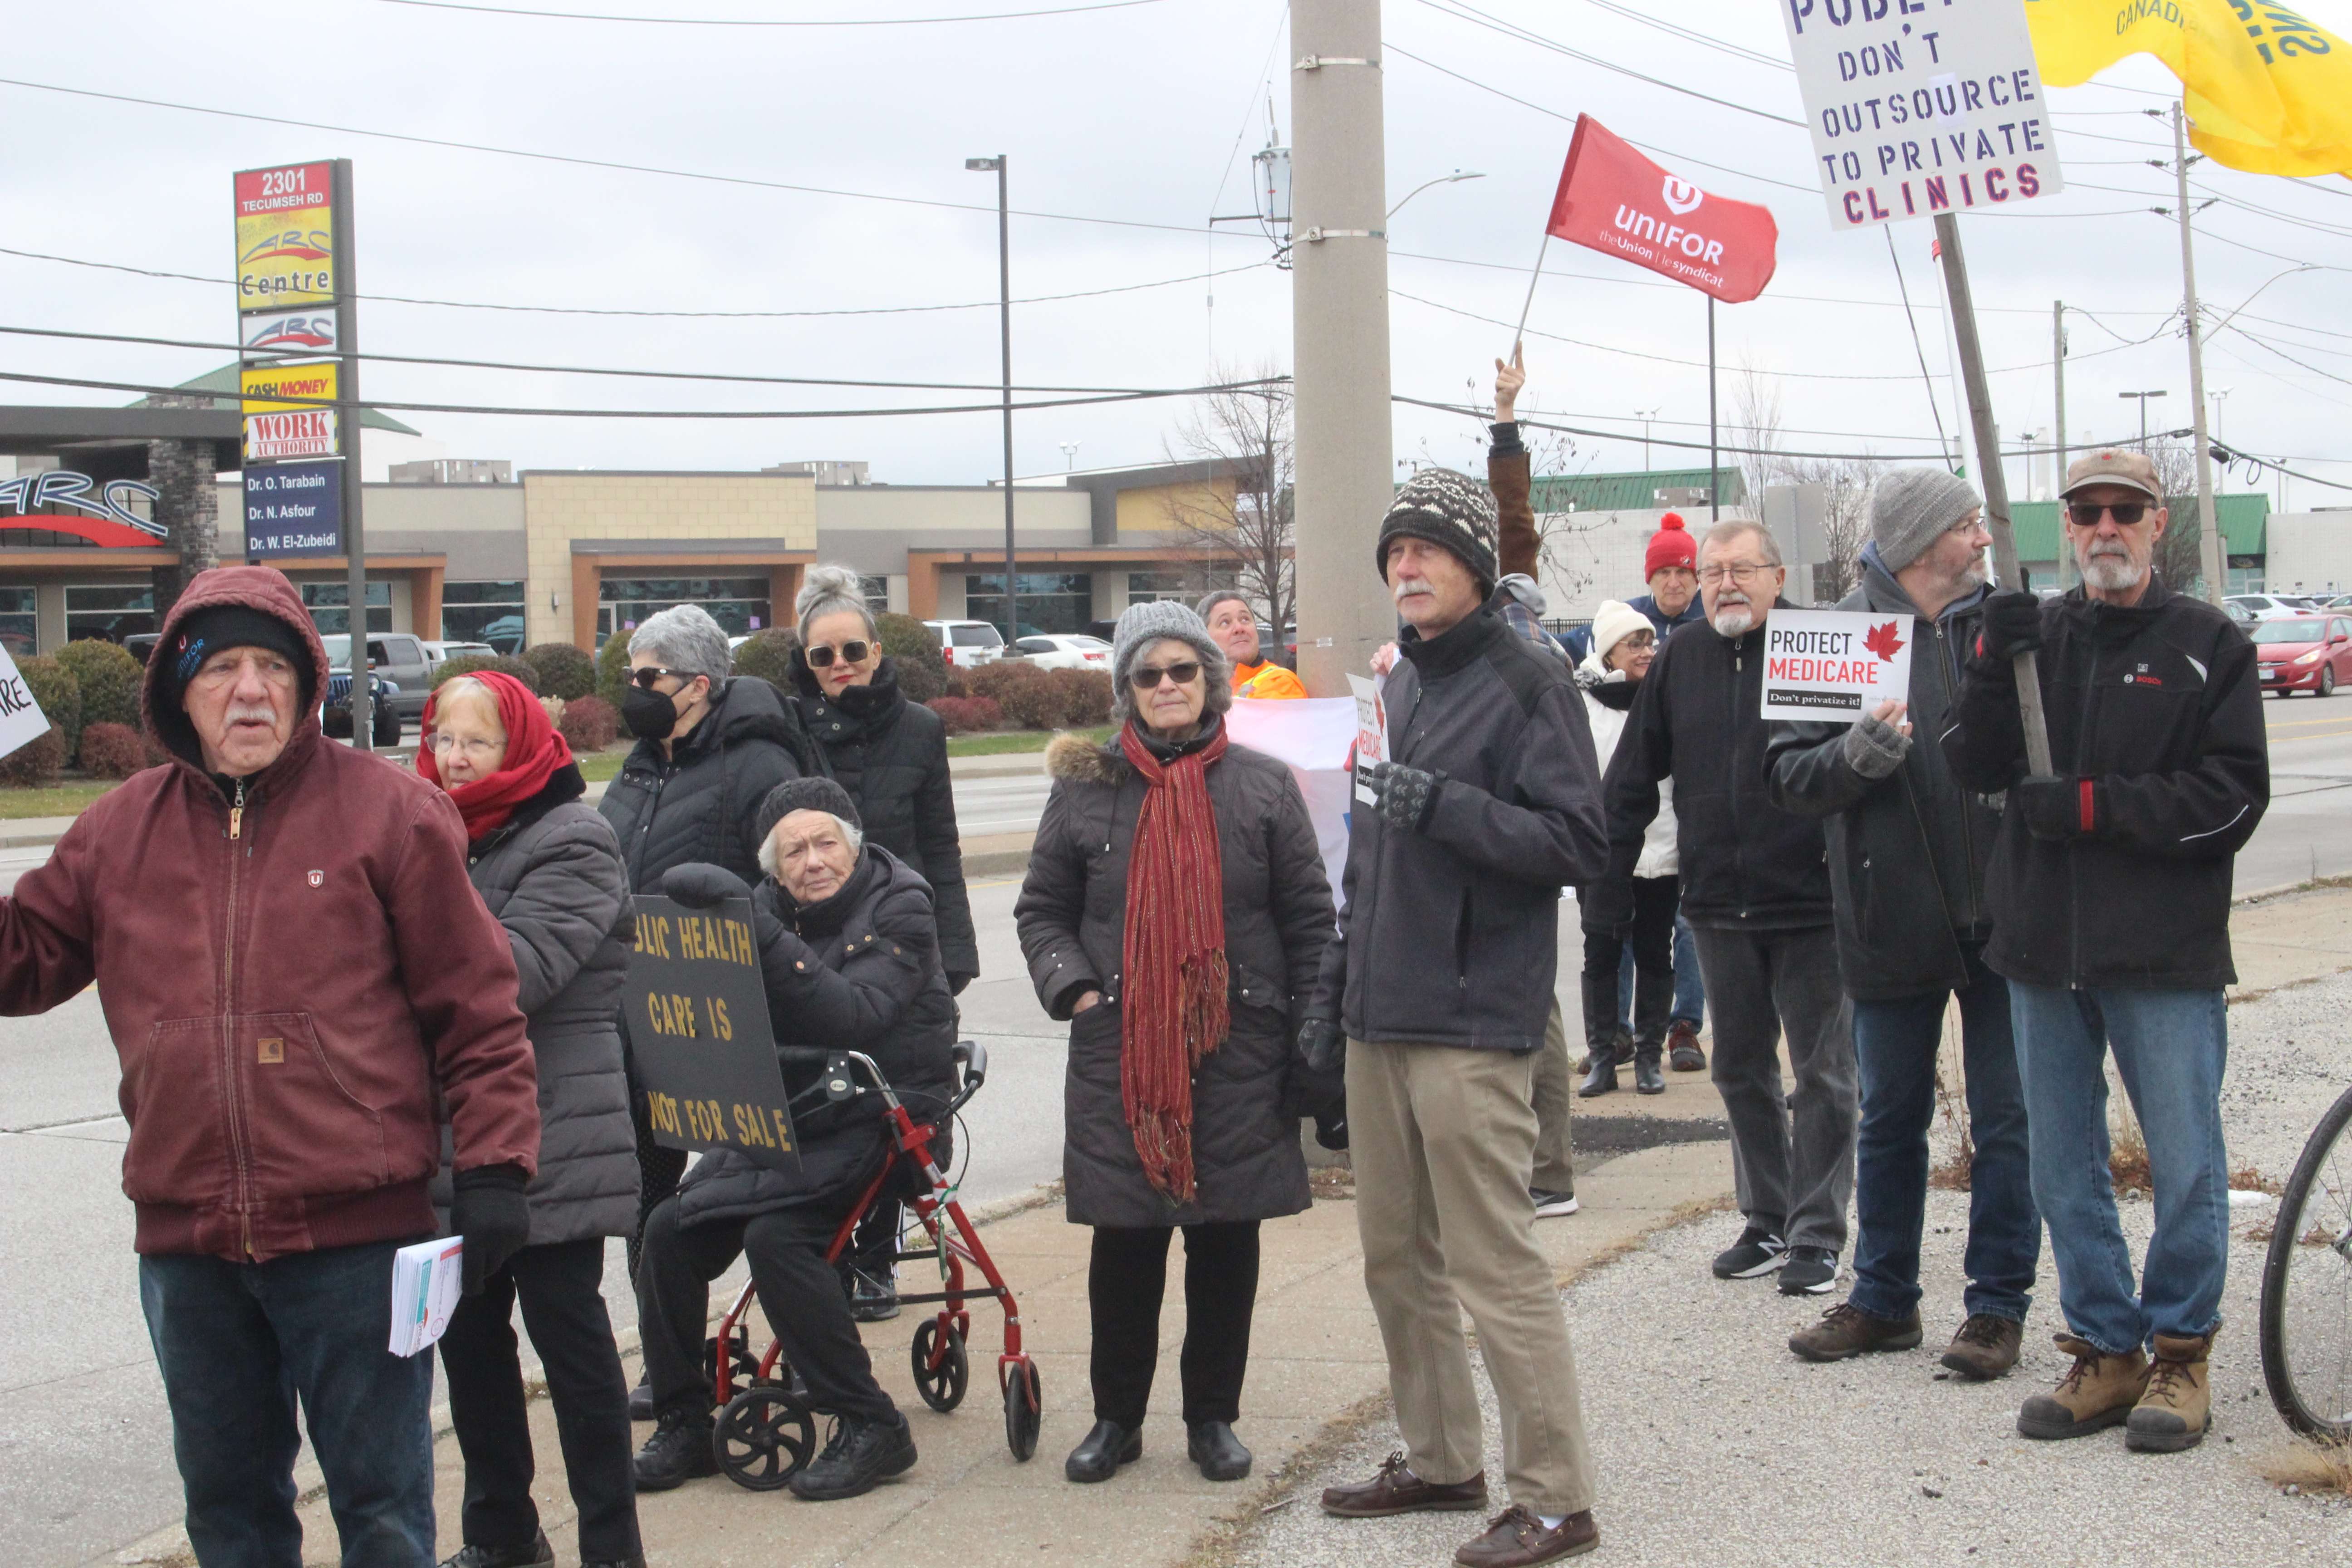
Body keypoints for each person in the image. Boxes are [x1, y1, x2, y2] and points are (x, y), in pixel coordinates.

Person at [0, 567, 540, 1567]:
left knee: (382, 1514)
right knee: (232, 1520)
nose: (249, 690)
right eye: (222, 669)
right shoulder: (118, 830)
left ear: (306, 686)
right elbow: (20, 963)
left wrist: (499, 1168)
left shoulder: (395, 814)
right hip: (189, 1251)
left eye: (272, 667)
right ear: (179, 691)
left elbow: (479, 1011)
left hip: (357, 1248)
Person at [1303, 469, 1608, 1568]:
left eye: (1426, 550)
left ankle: (1555, 1497)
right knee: (1395, 1254)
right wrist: (1335, 988)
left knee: (1494, 1264)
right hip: (1379, 1013)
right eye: (1394, 553)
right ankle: (1441, 1459)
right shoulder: (1397, 687)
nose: (1405, 568)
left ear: (1475, 566)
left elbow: (1577, 843)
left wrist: (1451, 808)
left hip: (1475, 1018)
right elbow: (1371, 855)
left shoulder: (1529, 681)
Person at [1942, 449, 2268, 1451]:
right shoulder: (2035, 637)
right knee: (2059, 1164)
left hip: (2162, 953)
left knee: (2183, 1159)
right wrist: (1993, 669)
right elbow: (1971, 760)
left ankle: (2180, 1355)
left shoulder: (2209, 643)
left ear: (2158, 523)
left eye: (2126, 511)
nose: (2105, 528)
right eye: (2086, 513)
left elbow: (2232, 801)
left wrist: (2093, 806)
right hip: (2041, 945)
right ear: (2065, 526)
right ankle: (2104, 1347)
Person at [1015, 601, 1337, 1487]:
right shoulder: (1085, 788)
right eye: (1149, 674)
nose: (1166, 687)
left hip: (1239, 1046)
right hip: (1122, 1048)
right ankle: (1116, 1420)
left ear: (1211, 681)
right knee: (1125, 1242)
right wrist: (1075, 989)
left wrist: (1311, 1024)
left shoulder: (1265, 787)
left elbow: (1310, 920)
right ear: (1127, 688)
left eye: (1182, 671)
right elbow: (1042, 908)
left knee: (1225, 1241)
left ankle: (1212, 1420)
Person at [1767, 470, 2041, 1380]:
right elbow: (1789, 780)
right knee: (1889, 1116)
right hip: (1889, 918)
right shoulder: (1833, 635)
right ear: (1925, 541)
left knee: (2008, 1119)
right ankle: (1883, 1300)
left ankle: (1996, 1310)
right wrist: (1855, 756)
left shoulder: (2002, 624)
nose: (1981, 538)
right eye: (1967, 526)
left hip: (2008, 918)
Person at [631, 777, 959, 1501]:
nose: (812, 862)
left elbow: (854, 1016)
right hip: (785, 1110)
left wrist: (763, 930)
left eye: (825, 843)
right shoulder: (764, 910)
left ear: (854, 844)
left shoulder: (900, 902)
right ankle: (685, 1420)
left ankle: (872, 1425)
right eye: (793, 851)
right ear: (772, 868)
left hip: (887, 1114)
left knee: (779, 1239)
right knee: (665, 1231)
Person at [418, 672, 643, 1568]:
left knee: (574, 1354)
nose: (458, 756)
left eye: (479, 740)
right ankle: (503, 1536)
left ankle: (612, 1546)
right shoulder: (431, 835)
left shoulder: (575, 840)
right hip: (453, 1143)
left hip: (557, 1136)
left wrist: (393, 931)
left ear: (520, 746)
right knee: (472, 1356)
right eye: (444, 738)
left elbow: (509, 973)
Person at [1602, 519, 1856, 1296]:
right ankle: (1767, 1217)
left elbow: (1861, 766)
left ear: (1778, 578)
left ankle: (1816, 1232)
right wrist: (1605, 878)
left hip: (1811, 901)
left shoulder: (1817, 649)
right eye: (1711, 573)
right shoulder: (1680, 657)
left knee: (1820, 1077)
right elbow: (1632, 776)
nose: (1723, 584)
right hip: (1715, 899)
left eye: (1741, 569)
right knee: (1739, 1069)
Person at [598, 603, 810, 1413]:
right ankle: (669, 1362)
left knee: (747, 1200)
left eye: (646, 677)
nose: (634, 691)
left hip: (728, 1015)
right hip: (637, 1010)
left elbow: (790, 879)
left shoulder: (756, 763)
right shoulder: (639, 765)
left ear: (697, 685)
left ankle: (790, 1343)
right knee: (648, 1199)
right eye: (631, 677)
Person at [790, 564, 978, 1323]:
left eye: (852, 652)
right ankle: (828, 1257)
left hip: (900, 942)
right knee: (828, 1103)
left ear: (876, 649)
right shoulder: (789, 727)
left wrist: (954, 951)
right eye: (822, 656)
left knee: (894, 1104)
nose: (840, 668)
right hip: (814, 949)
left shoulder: (921, 729)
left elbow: (941, 845)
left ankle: (875, 1259)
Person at [1571, 602, 1676, 1100]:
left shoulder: (1666, 695)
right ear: (1609, 650)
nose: (1646, 652)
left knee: (1656, 951)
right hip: (1604, 849)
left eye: (1650, 642)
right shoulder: (1583, 701)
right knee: (1602, 953)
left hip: (1662, 846)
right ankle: (1603, 1057)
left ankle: (1650, 1056)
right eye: (1634, 643)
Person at [1198, 589, 1308, 699]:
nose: (1239, 628)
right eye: (1225, 622)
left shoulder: (1281, 683)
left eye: (1245, 619)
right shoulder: (1198, 686)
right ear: (1205, 638)